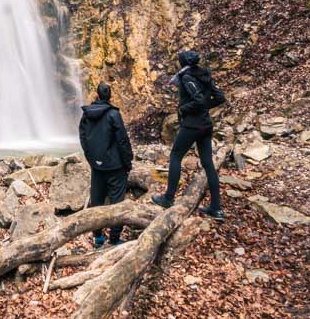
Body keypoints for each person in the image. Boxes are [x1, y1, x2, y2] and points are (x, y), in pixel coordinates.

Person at [151, 50, 225, 221]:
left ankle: (168, 198)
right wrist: (206, 106)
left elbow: (198, 99)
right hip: (206, 125)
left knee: (175, 156)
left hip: (192, 124)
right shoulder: (204, 74)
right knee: (208, 163)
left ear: (183, 63)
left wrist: (183, 109)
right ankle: (216, 208)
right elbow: (219, 97)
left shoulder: (186, 77)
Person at [79, 82, 133, 249]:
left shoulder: (86, 114)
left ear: (97, 95)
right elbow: (122, 140)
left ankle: (98, 238)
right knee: (117, 201)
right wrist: (128, 161)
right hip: (115, 165)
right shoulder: (113, 114)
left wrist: (91, 159)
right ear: (109, 96)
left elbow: (82, 138)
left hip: (97, 165)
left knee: (97, 200)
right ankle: (114, 238)